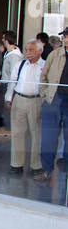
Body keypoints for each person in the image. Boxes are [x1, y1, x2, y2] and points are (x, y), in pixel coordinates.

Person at [5, 37, 45, 176]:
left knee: (37, 134)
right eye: (27, 50)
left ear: (40, 50)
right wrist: (9, 98)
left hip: (36, 100)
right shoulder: (20, 65)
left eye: (32, 50)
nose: (28, 52)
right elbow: (12, 82)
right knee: (17, 133)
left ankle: (36, 165)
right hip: (19, 99)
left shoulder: (44, 65)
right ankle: (16, 164)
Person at [39, 26, 68, 180]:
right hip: (54, 99)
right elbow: (43, 76)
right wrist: (44, 95)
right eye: (65, 36)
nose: (65, 39)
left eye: (67, 36)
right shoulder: (55, 55)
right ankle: (46, 170)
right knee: (48, 138)